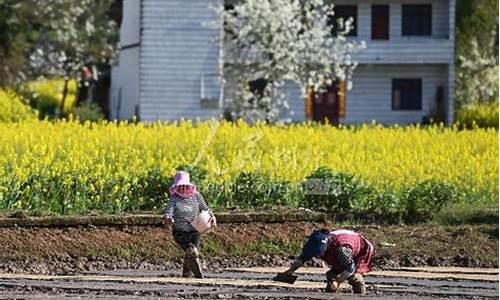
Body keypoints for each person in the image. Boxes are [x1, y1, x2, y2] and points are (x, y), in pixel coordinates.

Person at [281, 229, 374, 294]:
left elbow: (350, 268)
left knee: (355, 277)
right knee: (331, 275)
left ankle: (360, 295)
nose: (317, 256)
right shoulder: (315, 243)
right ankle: (331, 294)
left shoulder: (341, 250)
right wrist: (290, 271)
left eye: (318, 254)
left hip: (361, 250)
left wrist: (338, 281)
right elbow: (303, 258)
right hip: (340, 250)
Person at [164, 171, 216, 278]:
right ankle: (194, 272)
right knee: (191, 250)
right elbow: (168, 212)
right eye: (180, 186)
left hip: (194, 231)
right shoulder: (174, 198)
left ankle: (187, 273)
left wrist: (212, 217)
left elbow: (205, 209)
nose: (182, 189)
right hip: (180, 231)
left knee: (190, 252)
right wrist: (168, 219)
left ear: (189, 185)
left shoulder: (196, 196)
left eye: (185, 186)